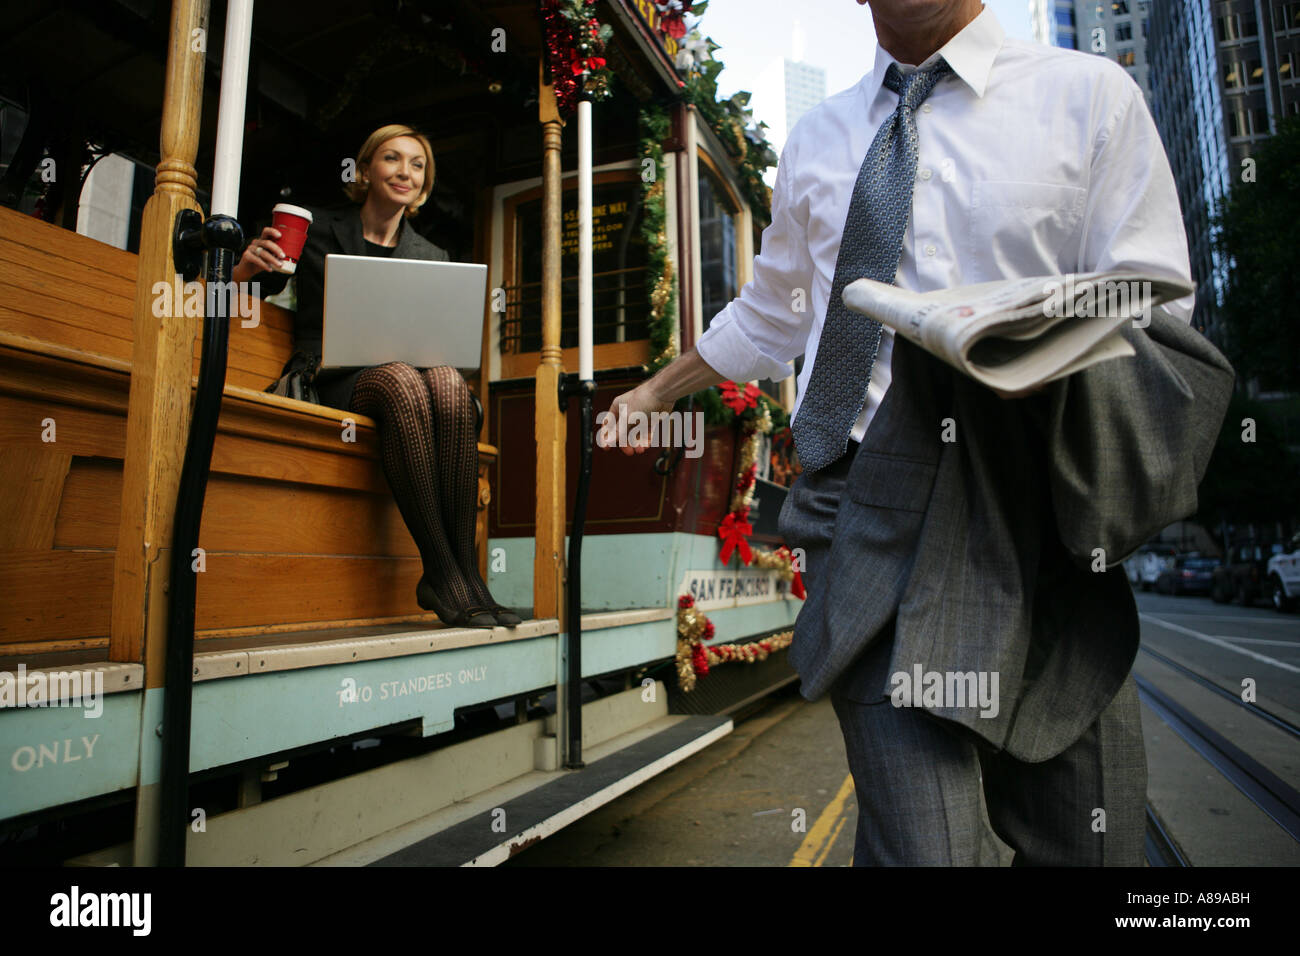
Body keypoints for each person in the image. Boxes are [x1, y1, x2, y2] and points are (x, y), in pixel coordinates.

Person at [603, 0, 1232, 864]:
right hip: (865, 514)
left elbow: (1154, 303)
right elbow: (772, 314)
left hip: (1035, 518)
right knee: (924, 852)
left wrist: (1027, 343)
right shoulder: (819, 139)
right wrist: (654, 390)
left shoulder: (1091, 95)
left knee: (1091, 842)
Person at [234, 124, 518, 630]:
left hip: (407, 388)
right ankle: (443, 573)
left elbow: (436, 349)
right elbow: (252, 293)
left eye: (416, 164)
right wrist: (243, 270)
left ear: (424, 184)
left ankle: (466, 578)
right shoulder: (316, 228)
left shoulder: (433, 257)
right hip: (330, 377)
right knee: (403, 379)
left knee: (448, 383)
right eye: (391, 158)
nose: (404, 171)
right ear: (365, 170)